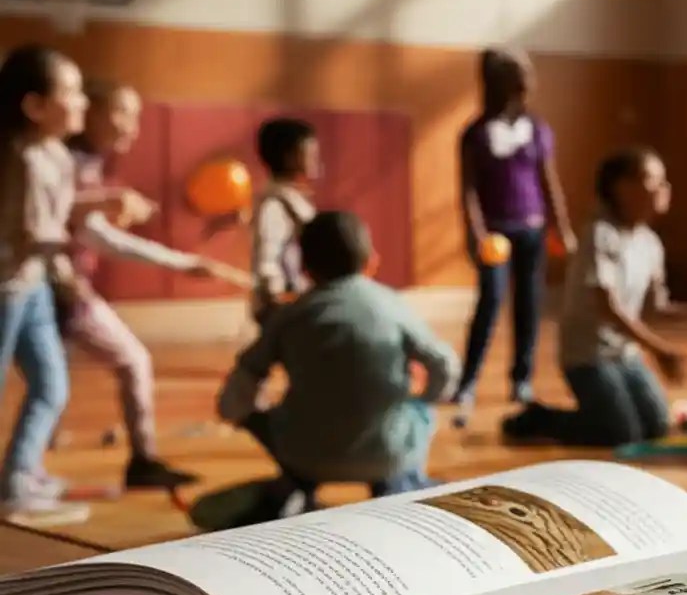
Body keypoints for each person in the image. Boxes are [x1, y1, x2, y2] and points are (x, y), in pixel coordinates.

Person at [216, 210, 459, 526]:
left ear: (305, 268)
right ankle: (399, 482)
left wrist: (244, 416)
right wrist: (422, 400)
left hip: (306, 454)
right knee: (420, 412)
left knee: (270, 418)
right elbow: (445, 366)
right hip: (388, 449)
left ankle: (296, 486)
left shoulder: (291, 315)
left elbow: (244, 378)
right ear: (371, 260)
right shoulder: (390, 303)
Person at [60, 79, 242, 489]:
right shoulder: (65, 161)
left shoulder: (86, 163)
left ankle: (27, 471)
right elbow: (97, 235)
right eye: (121, 112)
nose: (131, 127)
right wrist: (180, 261)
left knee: (52, 384)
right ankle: (139, 460)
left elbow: (92, 230)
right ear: (88, 110)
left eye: (136, 116)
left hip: (62, 290)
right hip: (55, 291)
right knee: (126, 363)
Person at [0, 45, 151, 523]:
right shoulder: (17, 160)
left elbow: (62, 216)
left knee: (51, 384)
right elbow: (28, 236)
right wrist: (75, 239)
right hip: (6, 291)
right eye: (71, 93)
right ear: (35, 106)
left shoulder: (59, 157)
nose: (84, 103)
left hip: (36, 288)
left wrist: (101, 204)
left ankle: (21, 474)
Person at [502, 146, 687, 448]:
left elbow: (658, 306)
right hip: (587, 356)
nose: (664, 188)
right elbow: (608, 307)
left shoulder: (650, 242)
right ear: (622, 188)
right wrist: (660, 350)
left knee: (656, 427)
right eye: (652, 180)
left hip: (624, 355)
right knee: (619, 434)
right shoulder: (600, 235)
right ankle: (541, 419)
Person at [453, 48, 576, 408]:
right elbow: (468, 189)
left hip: (532, 229)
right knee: (490, 302)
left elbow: (548, 181)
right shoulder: (474, 134)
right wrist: (474, 233)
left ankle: (521, 379)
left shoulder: (537, 129)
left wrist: (561, 228)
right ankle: (468, 380)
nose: (528, 84)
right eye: (520, 77)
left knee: (529, 305)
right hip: (494, 232)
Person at [251, 116, 319, 326]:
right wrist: (276, 296)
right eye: (310, 153)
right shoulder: (274, 205)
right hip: (286, 306)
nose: (316, 158)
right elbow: (267, 257)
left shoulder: (292, 198)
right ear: (290, 158)